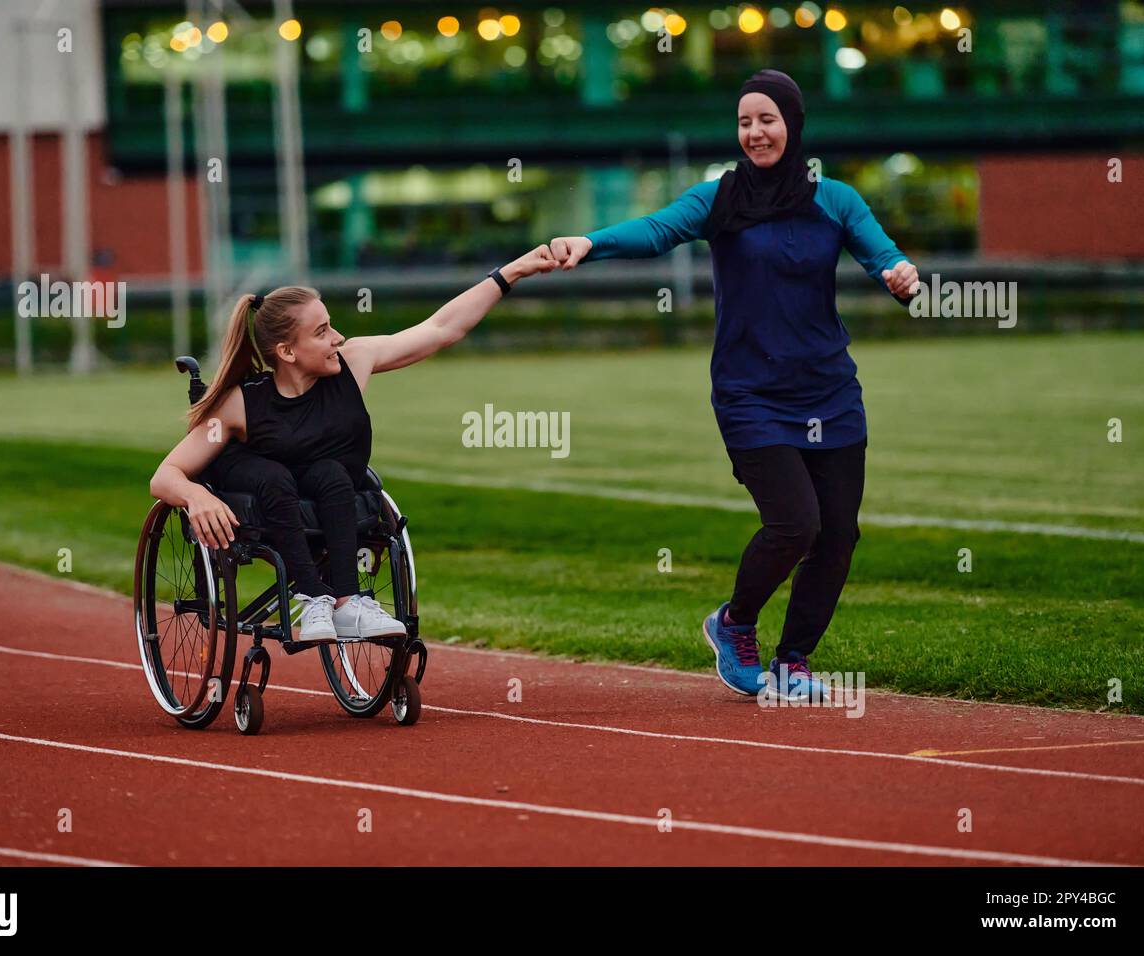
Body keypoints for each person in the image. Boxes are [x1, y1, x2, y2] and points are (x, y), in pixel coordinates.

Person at [548, 69, 920, 701]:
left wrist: (901, 274)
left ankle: (793, 661)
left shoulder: (835, 199)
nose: (754, 132)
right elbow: (657, 229)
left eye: (767, 120)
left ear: (793, 125)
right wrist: (592, 241)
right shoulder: (719, 198)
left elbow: (884, 254)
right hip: (750, 394)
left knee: (837, 535)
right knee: (795, 524)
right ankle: (734, 623)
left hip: (829, 390)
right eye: (745, 122)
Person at [149, 245, 558, 641]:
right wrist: (195, 496)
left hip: (318, 481)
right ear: (287, 351)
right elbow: (166, 475)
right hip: (257, 478)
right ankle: (313, 597)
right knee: (275, 477)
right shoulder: (242, 404)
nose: (339, 338)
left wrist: (512, 272)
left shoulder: (354, 364)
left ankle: (346, 602)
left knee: (332, 474)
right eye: (323, 332)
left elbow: (441, 329)